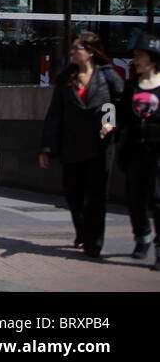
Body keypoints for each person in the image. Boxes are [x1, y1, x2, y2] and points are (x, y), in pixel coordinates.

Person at [38, 31, 124, 258]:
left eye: (77, 48)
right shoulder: (67, 80)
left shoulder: (108, 77)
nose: (72, 52)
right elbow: (55, 115)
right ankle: (83, 230)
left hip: (101, 147)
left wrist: (109, 123)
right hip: (72, 145)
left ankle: (93, 242)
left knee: (97, 195)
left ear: (90, 52)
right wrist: (47, 148)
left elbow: (116, 103)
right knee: (74, 194)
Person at [118, 33, 160, 267]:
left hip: (157, 152)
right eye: (134, 56)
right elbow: (114, 109)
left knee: (158, 198)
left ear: (153, 58)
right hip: (135, 150)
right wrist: (107, 125)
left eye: (139, 55)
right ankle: (141, 237)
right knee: (135, 197)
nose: (135, 60)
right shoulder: (131, 85)